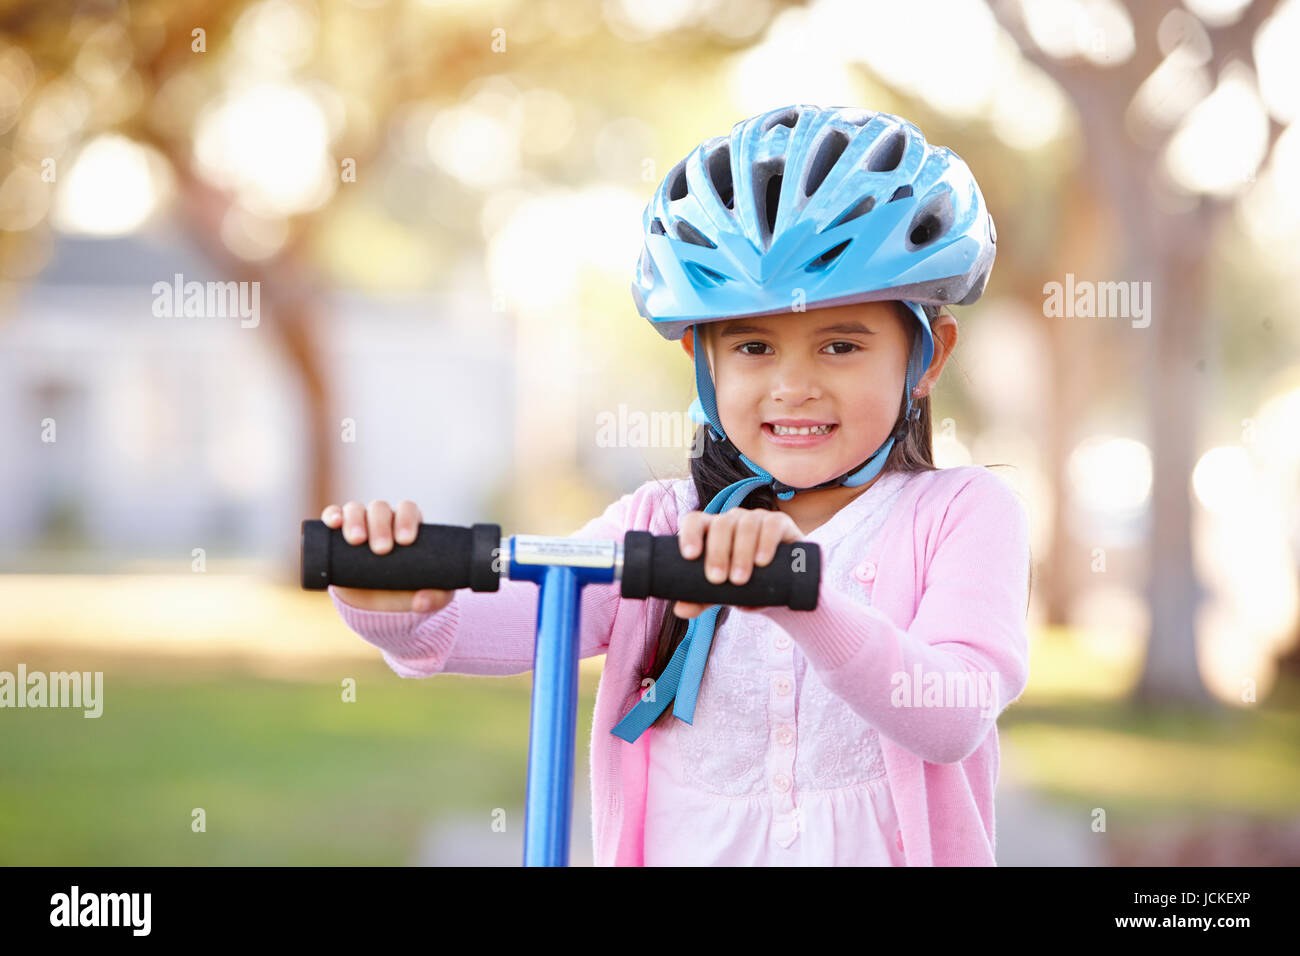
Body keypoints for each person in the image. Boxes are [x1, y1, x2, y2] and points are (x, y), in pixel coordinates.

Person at [322, 104, 1030, 866]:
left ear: (927, 356)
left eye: (840, 345)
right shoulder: (664, 523)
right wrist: (402, 608)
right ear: (705, 359)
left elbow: (954, 712)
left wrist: (800, 594)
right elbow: (537, 611)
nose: (793, 387)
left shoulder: (959, 515)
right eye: (755, 346)